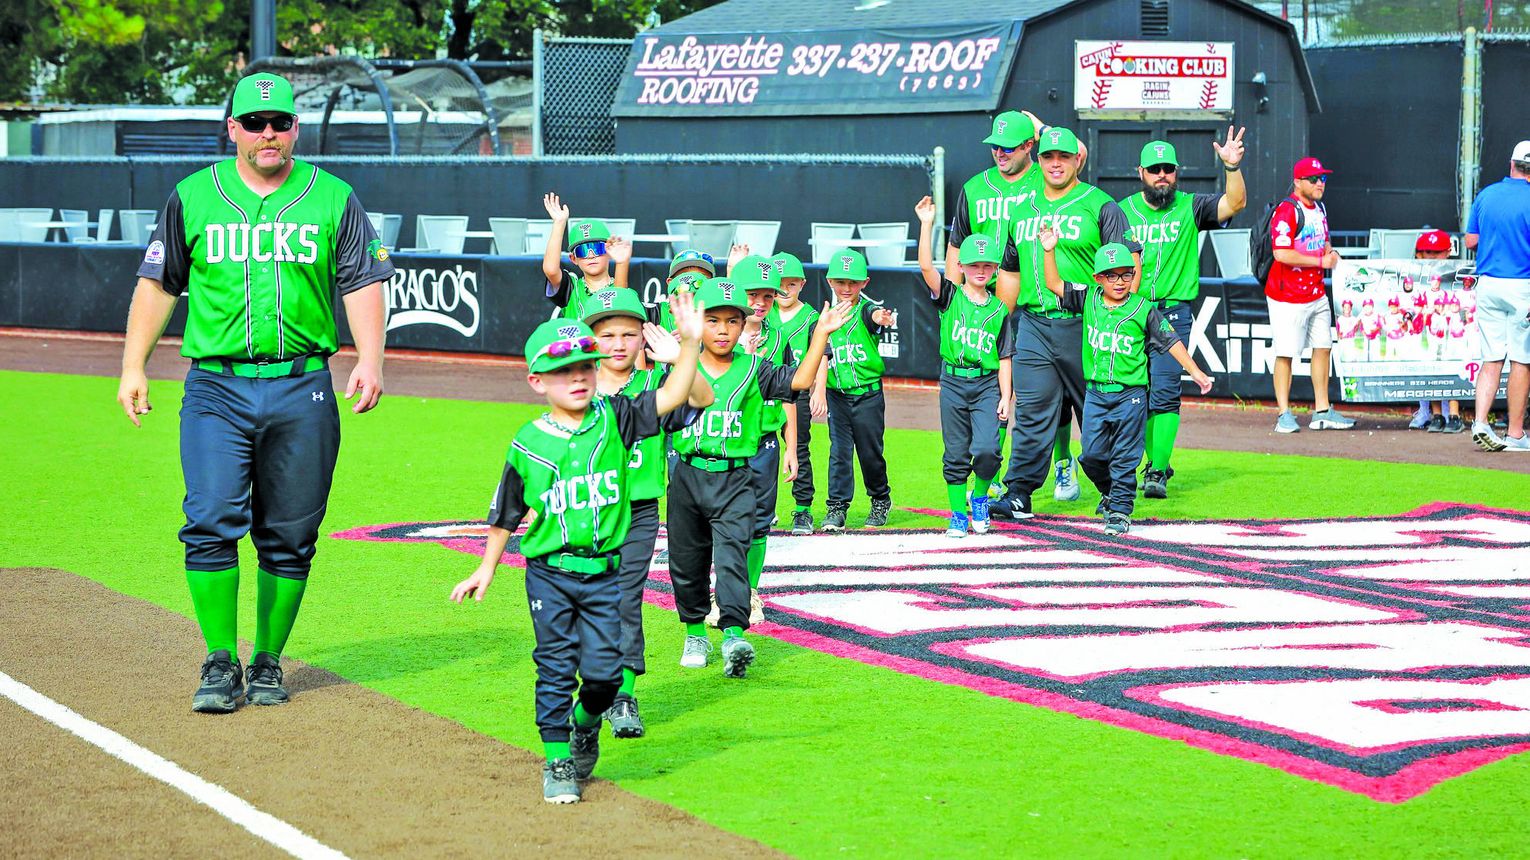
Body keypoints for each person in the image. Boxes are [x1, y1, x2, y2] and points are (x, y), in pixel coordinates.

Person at [116, 73, 392, 713]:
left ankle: (267, 661)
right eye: (256, 122)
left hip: (302, 385)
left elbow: (362, 281)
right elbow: (159, 286)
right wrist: (134, 365)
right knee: (210, 519)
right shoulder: (193, 196)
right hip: (217, 386)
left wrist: (371, 360)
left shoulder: (333, 198)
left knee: (291, 533)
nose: (269, 133)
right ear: (233, 129)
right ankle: (219, 659)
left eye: (280, 123)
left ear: (295, 129)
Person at [449, 300, 706, 804]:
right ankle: (558, 759)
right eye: (562, 369)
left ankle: (584, 727)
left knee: (607, 677)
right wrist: (485, 568)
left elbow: (677, 393)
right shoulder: (527, 444)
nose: (579, 377)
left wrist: (689, 344)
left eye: (586, 366)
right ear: (537, 381)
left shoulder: (618, 417)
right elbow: (506, 513)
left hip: (605, 573)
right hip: (550, 574)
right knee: (555, 667)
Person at [669, 279, 848, 678]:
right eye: (712, 320)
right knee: (688, 562)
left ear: (742, 326)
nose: (722, 329)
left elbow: (799, 382)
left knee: (733, 557)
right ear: (698, 322)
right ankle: (695, 633)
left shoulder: (754, 367)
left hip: (735, 479)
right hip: (687, 475)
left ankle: (733, 635)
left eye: (732, 321)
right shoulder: (681, 364)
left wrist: (820, 333)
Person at [992, 126, 1140, 520]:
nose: (1055, 163)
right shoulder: (1021, 210)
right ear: (1038, 160)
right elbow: (1010, 272)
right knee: (1033, 412)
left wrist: (1117, 317)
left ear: (1078, 159)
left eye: (1063, 156)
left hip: (1085, 324)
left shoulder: (1101, 204)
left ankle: (1114, 489)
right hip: (1035, 325)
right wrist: (995, 323)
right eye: (1048, 157)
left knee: (1094, 411)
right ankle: (1019, 492)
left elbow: (1130, 265)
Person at [583, 290, 712, 740]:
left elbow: (703, 397)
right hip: (583, 510)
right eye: (607, 335)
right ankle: (594, 687)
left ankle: (623, 696)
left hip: (636, 512)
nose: (618, 343)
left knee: (623, 599)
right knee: (585, 604)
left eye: (628, 335)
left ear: (644, 339)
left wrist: (683, 356)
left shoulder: (655, 385)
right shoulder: (575, 384)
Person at [947, 109, 1081, 501]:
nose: (999, 153)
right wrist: (958, 305)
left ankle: (1061, 461)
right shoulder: (974, 188)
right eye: (995, 146)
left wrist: (1044, 128)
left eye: (1008, 146)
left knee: (1054, 396)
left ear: (1029, 147)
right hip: (992, 302)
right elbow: (956, 250)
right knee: (1001, 392)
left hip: (1042, 299)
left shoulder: (1048, 173)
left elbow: (1076, 152)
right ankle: (993, 475)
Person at [1039, 234, 1213, 535]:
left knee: (1125, 456)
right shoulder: (1089, 297)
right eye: (1111, 275)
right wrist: (1049, 250)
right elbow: (1054, 284)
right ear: (1098, 277)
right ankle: (1111, 492)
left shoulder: (1143, 309)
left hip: (1130, 396)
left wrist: (1195, 371)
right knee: (1091, 455)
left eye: (1125, 274)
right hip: (1095, 393)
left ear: (1134, 275)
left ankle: (1119, 510)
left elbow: (1170, 340)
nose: (1119, 281)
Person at [1120, 130, 1246, 498]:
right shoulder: (1122, 210)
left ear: (1177, 172)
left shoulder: (1191, 206)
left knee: (1164, 392)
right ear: (1140, 171)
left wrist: (1232, 167)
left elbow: (1234, 203)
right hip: (1131, 311)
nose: (1162, 175)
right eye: (1155, 169)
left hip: (1173, 311)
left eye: (1168, 169)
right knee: (1135, 393)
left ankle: (1157, 471)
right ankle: (1157, 458)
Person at [915, 196, 1008, 537]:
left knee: (988, 450)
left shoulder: (998, 310)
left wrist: (1005, 395)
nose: (980, 271)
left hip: (985, 384)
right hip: (953, 382)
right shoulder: (951, 296)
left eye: (987, 265)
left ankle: (980, 497)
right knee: (955, 452)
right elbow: (926, 269)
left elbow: (1005, 356)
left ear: (995, 268)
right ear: (963, 267)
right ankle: (958, 514)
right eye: (974, 265)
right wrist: (926, 225)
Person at [1266, 157, 1355, 433]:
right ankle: (1283, 413)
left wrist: (1330, 253)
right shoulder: (1287, 211)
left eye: (1323, 179)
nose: (1320, 184)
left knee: (1323, 347)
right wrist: (1320, 260)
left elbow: (1324, 241)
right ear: (1298, 182)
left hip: (1316, 293)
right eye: (1314, 179)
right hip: (1287, 296)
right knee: (1286, 353)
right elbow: (1280, 253)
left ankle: (1322, 409)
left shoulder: (1320, 208)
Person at [821, 248, 898, 531]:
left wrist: (881, 317)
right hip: (837, 396)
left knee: (870, 453)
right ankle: (837, 507)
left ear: (864, 283)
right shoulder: (826, 315)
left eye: (853, 282)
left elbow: (873, 314)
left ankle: (880, 499)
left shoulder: (865, 309)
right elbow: (822, 353)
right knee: (839, 452)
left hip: (867, 395)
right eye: (840, 282)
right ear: (830, 281)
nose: (846, 288)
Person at [1464, 140, 1530, 452]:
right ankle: (1515, 434)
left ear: (1512, 164)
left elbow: (1471, 239)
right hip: (1522, 287)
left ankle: (1480, 422)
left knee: (1491, 358)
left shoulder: (1486, 194)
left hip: (1488, 283)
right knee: (1522, 360)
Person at [768, 251, 824, 535]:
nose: (784, 290)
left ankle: (803, 509)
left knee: (798, 448)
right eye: (779, 284)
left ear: (802, 284)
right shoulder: (763, 313)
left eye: (791, 284)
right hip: (763, 391)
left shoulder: (810, 316)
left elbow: (822, 354)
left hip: (797, 392)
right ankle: (763, 508)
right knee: (759, 448)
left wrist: (820, 391)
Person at [540, 193, 633, 321]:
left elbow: (619, 305)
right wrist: (559, 223)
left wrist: (622, 263)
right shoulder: (572, 289)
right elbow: (551, 270)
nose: (590, 255)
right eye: (583, 250)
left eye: (597, 248)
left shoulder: (623, 288)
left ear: (609, 252)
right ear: (574, 259)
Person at [1407, 229, 1464, 433]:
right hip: (1425, 328)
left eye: (1437, 252)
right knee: (1425, 365)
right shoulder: (1414, 276)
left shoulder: (1454, 275)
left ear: (1448, 252)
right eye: (1427, 252)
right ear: (1419, 254)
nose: (1432, 257)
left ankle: (1451, 413)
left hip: (1449, 329)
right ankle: (1427, 412)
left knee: (1450, 364)